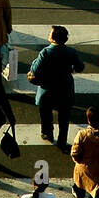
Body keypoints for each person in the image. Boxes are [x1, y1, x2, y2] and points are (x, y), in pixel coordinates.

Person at [27, 25, 83, 153]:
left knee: (45, 113)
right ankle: (62, 141)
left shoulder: (45, 52)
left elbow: (34, 69)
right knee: (64, 117)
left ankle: (48, 133)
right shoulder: (71, 52)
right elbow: (80, 67)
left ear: (53, 38)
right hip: (65, 88)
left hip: (48, 88)